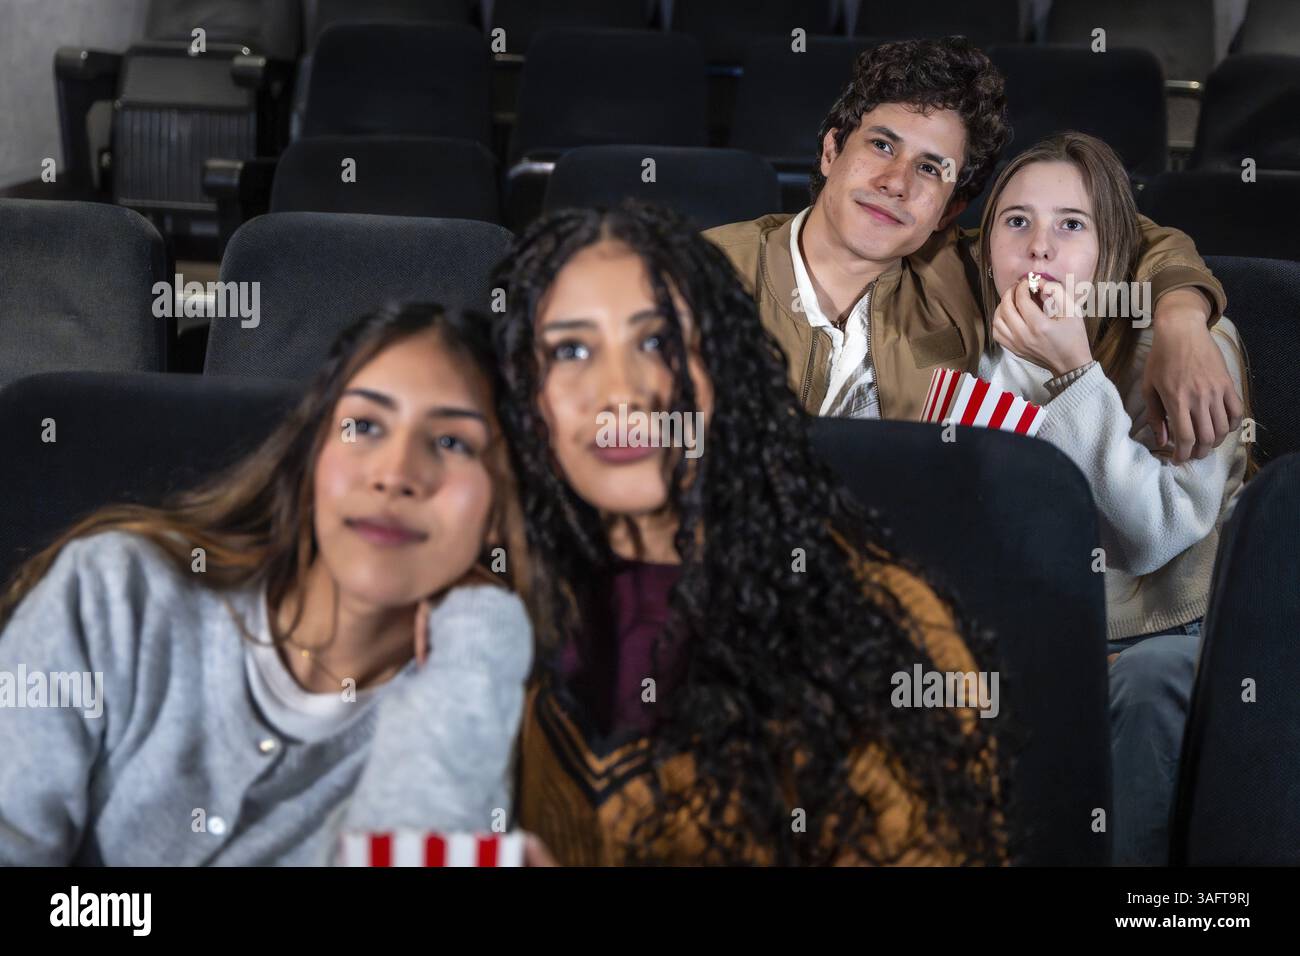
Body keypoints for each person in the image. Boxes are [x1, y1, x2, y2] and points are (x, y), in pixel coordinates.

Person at [492, 200, 1005, 866]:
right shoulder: (478, 607)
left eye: (657, 342)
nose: (619, 392)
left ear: (723, 375)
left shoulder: (883, 622)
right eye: (570, 349)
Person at [0, 303, 533, 865]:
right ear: (311, 457)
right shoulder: (116, 590)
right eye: (364, 426)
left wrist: (480, 629)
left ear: (504, 504)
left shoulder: (490, 697)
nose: (396, 474)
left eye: (453, 443)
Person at [704, 36, 1241, 463]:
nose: (896, 182)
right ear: (830, 150)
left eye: (931, 168)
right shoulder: (700, 271)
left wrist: (1182, 322)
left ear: (952, 208)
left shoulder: (959, 271)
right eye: (882, 144)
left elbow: (1129, 236)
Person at [974, 132, 1252, 865]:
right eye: (1016, 222)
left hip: (1165, 627)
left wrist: (1071, 374)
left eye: (1072, 224)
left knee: (1148, 677)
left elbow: (1153, 535)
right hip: (1038, 629)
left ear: (1112, 248)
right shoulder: (980, 348)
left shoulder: (1196, 348)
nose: (1040, 247)